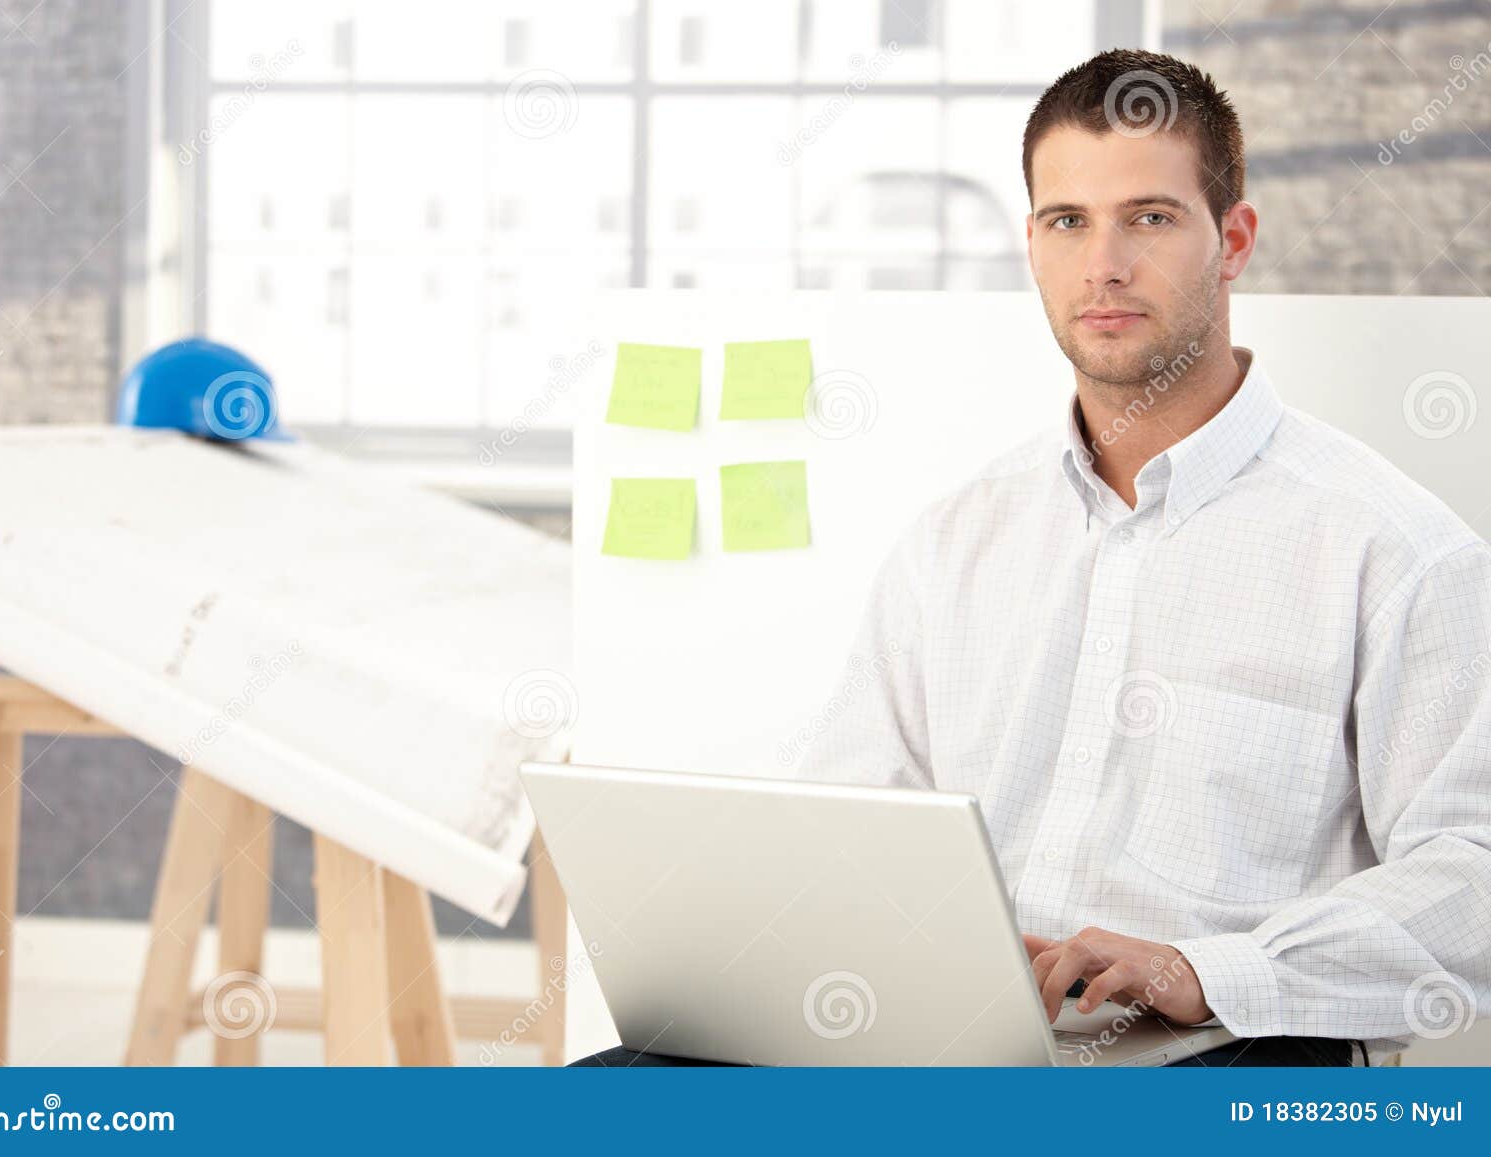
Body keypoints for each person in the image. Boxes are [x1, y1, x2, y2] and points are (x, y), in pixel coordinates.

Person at [573, 48, 1491, 1068]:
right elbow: (850, 826)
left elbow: (1473, 876)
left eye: (1148, 217)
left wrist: (1200, 968)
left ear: (1232, 241)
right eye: (1067, 222)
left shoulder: (1394, 550)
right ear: (1032, 244)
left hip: (1225, 1054)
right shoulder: (955, 541)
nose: (1102, 263)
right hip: (955, 1045)